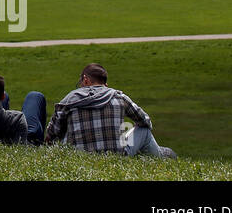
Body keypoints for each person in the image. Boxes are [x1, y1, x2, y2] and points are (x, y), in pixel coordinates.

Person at [43, 62, 176, 158]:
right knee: (144, 131)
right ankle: (160, 157)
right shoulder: (117, 96)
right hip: (117, 157)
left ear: (85, 80)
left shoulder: (70, 99)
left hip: (79, 157)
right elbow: (145, 121)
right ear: (105, 84)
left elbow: (51, 135)